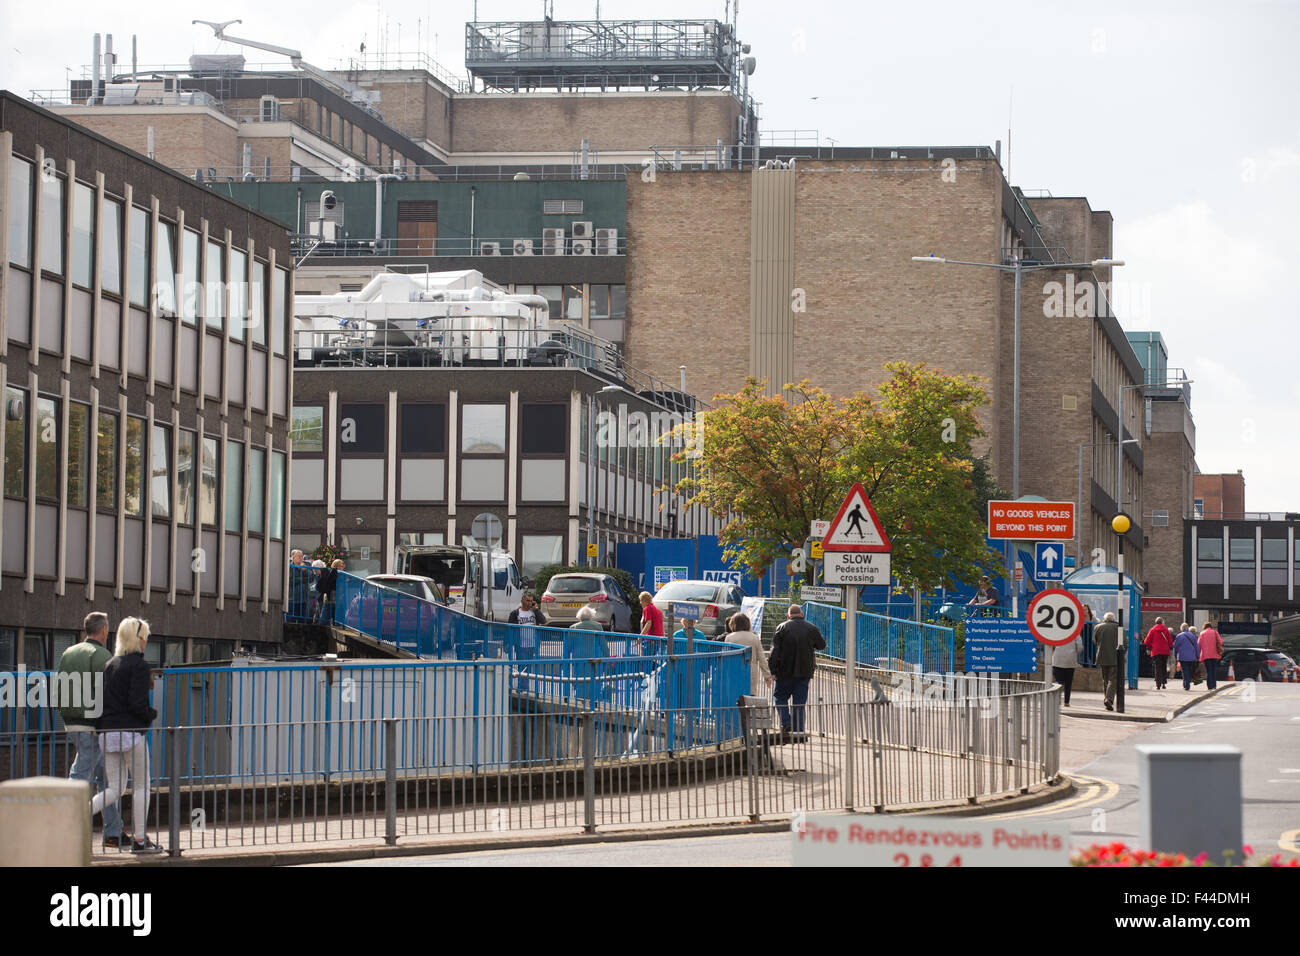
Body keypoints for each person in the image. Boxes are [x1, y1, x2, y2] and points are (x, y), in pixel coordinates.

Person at [89, 618, 163, 854]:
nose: (146, 641)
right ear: (138, 638)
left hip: (108, 733)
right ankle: (140, 841)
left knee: (115, 787)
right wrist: (151, 715)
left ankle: (74, 813)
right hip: (131, 733)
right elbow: (137, 704)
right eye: (145, 637)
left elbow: (100, 702)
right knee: (141, 786)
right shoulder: (139, 666)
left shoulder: (110, 664)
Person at [57, 612, 125, 849]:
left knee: (105, 778)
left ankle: (113, 832)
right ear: (104, 630)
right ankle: (68, 827)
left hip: (72, 721)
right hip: (93, 725)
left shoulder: (68, 652)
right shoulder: (103, 656)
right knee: (82, 774)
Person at [767, 604, 826, 738]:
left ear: (788, 616)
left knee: (779, 697)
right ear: (802, 614)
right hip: (804, 672)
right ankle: (798, 732)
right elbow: (821, 645)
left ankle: (786, 723)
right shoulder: (811, 628)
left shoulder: (781, 628)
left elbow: (774, 652)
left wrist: (773, 670)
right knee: (799, 702)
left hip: (784, 672)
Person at [724, 612, 772, 697]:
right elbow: (762, 659)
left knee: (734, 698)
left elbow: (726, 658)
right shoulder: (754, 638)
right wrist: (767, 677)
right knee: (750, 699)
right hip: (750, 673)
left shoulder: (729, 638)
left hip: (734, 672)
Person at [1093, 611, 1122, 711]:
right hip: (1114, 657)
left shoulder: (1098, 627)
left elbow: (1095, 641)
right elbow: (1124, 644)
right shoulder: (1119, 628)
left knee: (1105, 680)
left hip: (1102, 657)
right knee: (1112, 679)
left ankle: (1106, 700)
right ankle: (1108, 700)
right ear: (1113, 619)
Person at [1049, 629, 1083, 707]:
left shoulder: (1057, 632)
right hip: (1070, 661)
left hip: (1058, 660)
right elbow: (1080, 647)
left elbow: (1051, 644)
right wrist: (1074, 653)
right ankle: (1066, 702)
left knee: (1058, 681)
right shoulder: (1075, 634)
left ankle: (1057, 700)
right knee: (1068, 683)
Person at [1143, 617, 1175, 690]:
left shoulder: (1152, 630)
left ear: (1155, 622)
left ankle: (1158, 684)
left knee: (1157, 667)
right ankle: (1163, 683)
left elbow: (1146, 641)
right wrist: (1170, 647)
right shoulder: (1166, 630)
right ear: (1162, 622)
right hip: (1165, 651)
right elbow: (1170, 641)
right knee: (1164, 666)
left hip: (1156, 651)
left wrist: (1150, 647)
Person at [1173, 622, 1200, 690]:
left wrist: (1175, 655)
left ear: (1181, 628)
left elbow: (1175, 647)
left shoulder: (1179, 636)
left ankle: (1186, 685)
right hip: (1191, 657)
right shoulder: (1192, 636)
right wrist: (1197, 656)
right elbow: (1196, 647)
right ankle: (1187, 683)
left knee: (1184, 671)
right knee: (1189, 670)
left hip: (1182, 657)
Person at [314, 558, 344, 622]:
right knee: (324, 618)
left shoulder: (342, 575)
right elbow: (329, 584)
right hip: (330, 598)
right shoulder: (333, 572)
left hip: (338, 599)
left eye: (342, 566)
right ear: (335, 566)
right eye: (339, 566)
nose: (341, 567)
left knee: (335, 620)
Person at [1198, 620, 1224, 690]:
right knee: (1213, 670)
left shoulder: (1202, 633)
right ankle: (1214, 685)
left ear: (1205, 627)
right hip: (1214, 655)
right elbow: (1221, 642)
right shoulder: (1215, 632)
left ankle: (1209, 686)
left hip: (1206, 655)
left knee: (1208, 670)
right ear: (1211, 627)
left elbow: (1199, 644)